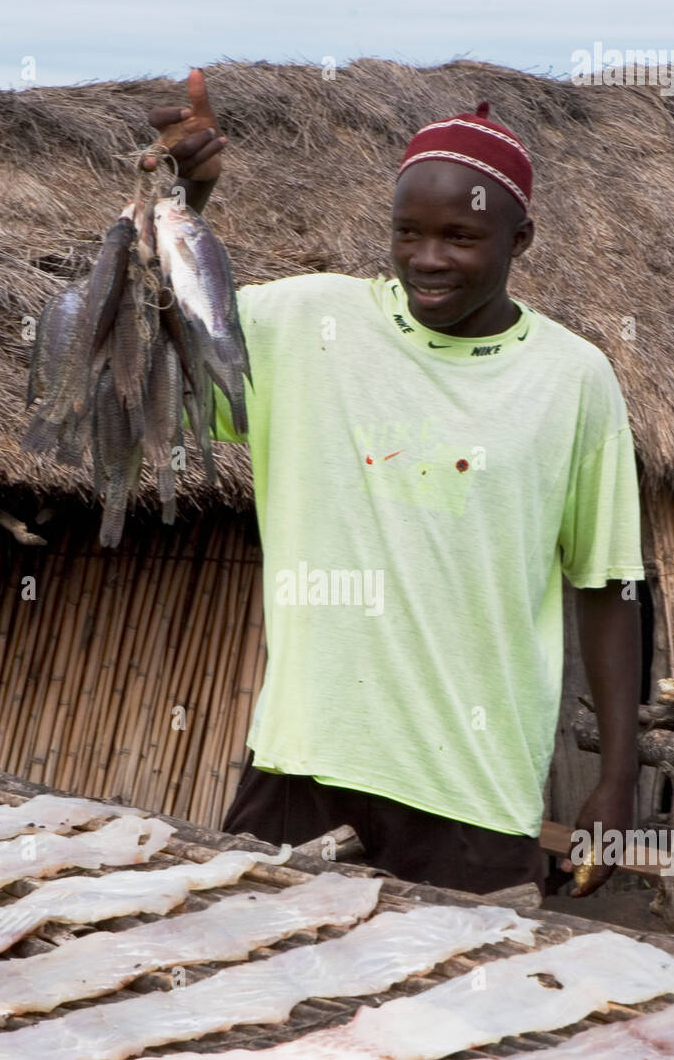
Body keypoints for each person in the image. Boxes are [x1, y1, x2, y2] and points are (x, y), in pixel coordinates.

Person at [148, 72, 644, 899]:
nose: (427, 259)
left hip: (473, 792)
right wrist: (184, 199)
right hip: (306, 761)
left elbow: (609, 583)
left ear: (520, 241)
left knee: (470, 1022)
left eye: (459, 237)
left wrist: (618, 780)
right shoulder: (304, 326)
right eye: (407, 232)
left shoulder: (573, 380)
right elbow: (158, 324)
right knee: (259, 1005)